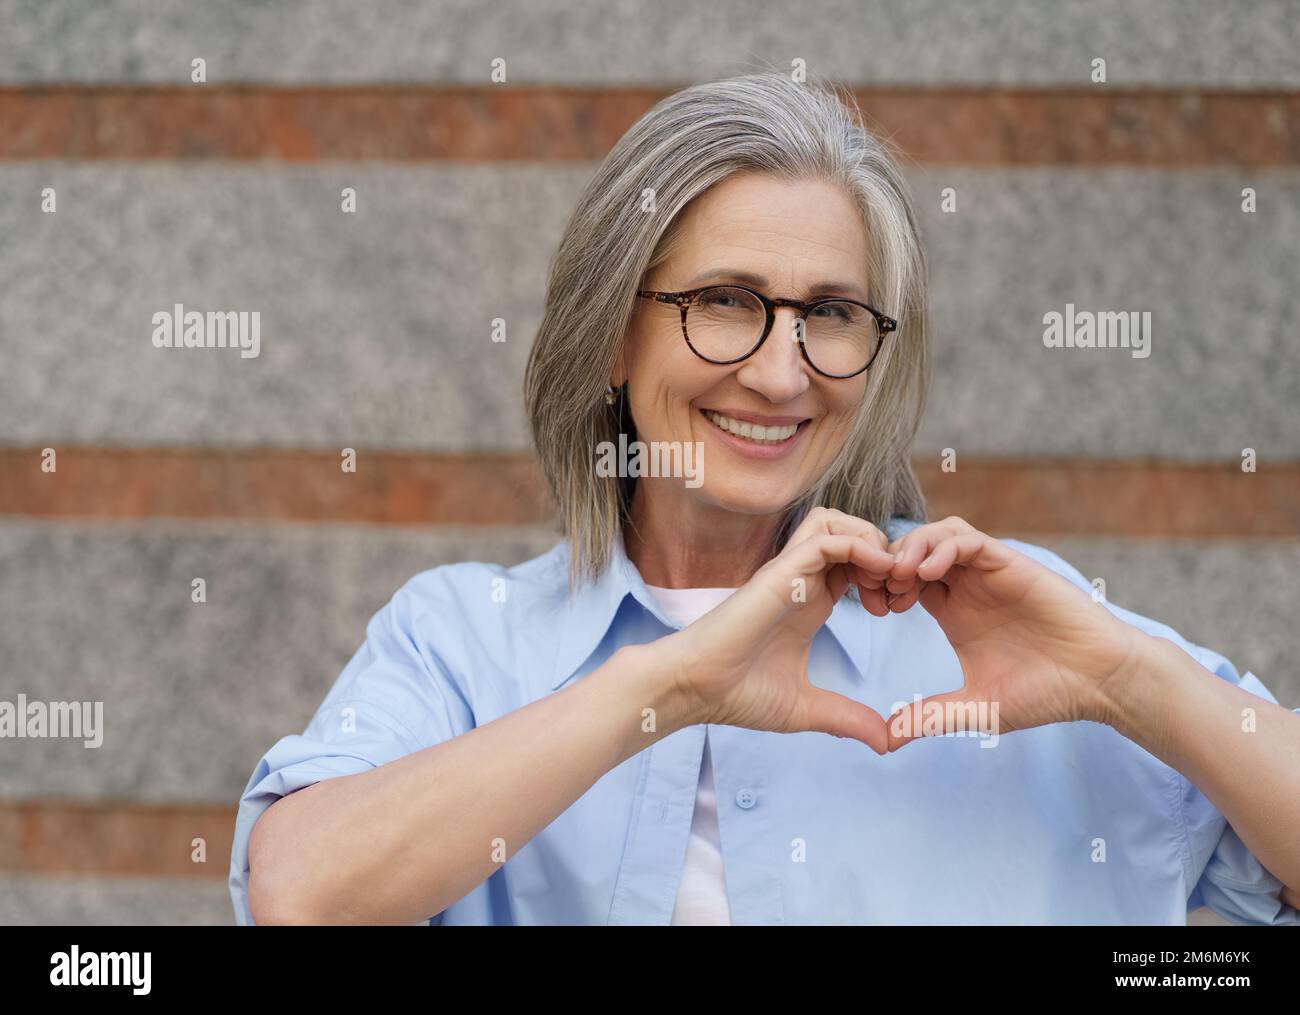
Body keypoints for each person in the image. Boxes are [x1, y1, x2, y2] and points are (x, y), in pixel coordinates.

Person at [229, 72, 1300, 925]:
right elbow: (303, 895)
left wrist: (1134, 682)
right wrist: (671, 685)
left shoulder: (1025, 644)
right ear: (610, 335)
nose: (783, 376)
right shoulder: (462, 644)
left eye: (831, 313)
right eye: (725, 301)